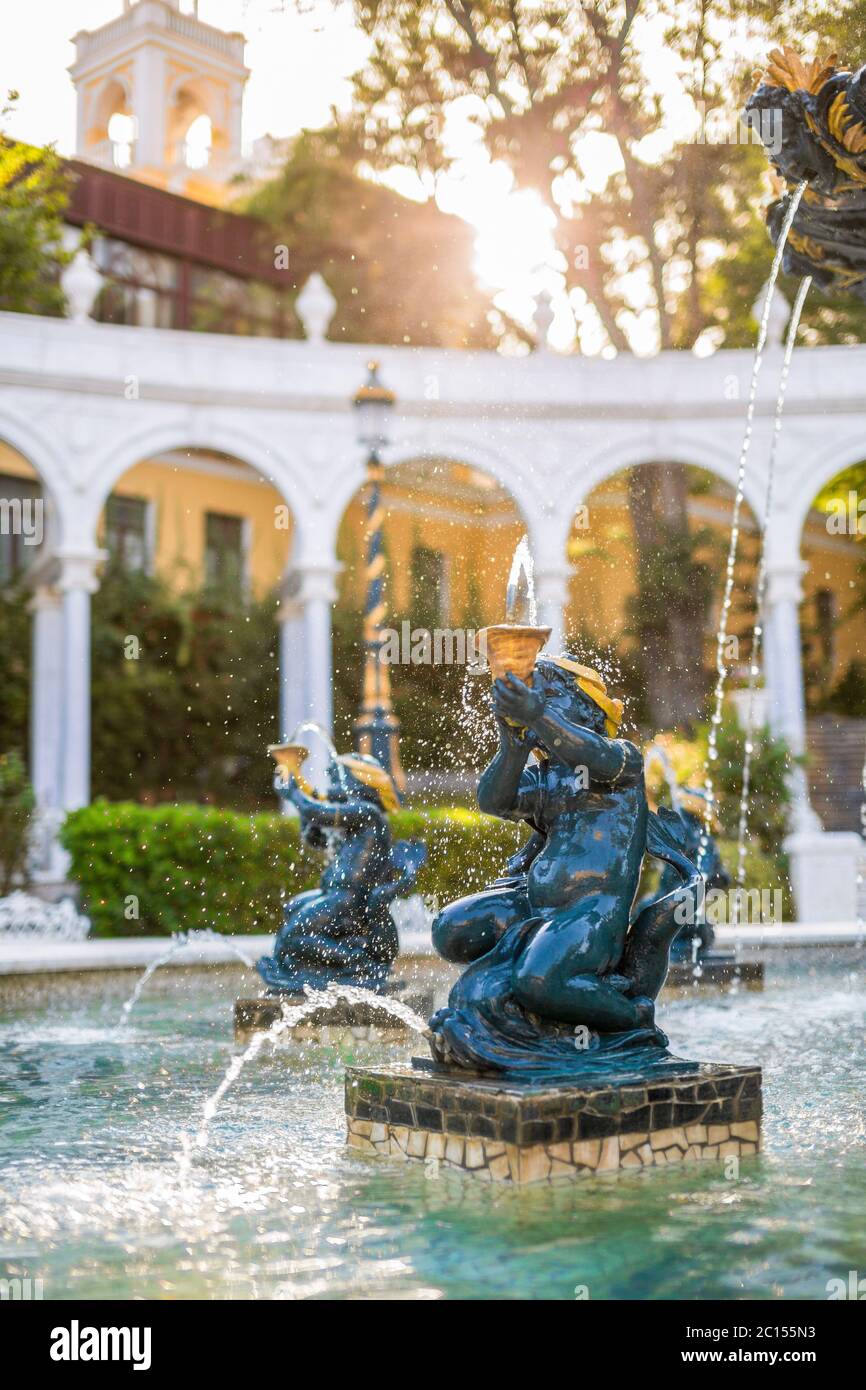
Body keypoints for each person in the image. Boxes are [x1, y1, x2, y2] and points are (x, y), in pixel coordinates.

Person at [429, 657, 701, 1074]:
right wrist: (512, 747)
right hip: (532, 907)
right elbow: (494, 800)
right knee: (450, 929)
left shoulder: (621, 762)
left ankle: (631, 1015)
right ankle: (534, 1005)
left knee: (540, 980)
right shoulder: (550, 777)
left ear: (589, 710)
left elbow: (586, 751)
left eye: (550, 696)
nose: (540, 703)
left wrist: (536, 714)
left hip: (589, 914)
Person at [256, 753, 425, 993]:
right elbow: (318, 839)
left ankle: (355, 961)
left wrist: (294, 793)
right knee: (291, 909)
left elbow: (319, 813)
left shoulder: (368, 813)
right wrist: (309, 823)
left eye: (337, 778)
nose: (332, 786)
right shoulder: (355, 821)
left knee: (293, 937)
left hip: (348, 901)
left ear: (359, 781)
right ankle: (309, 968)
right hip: (333, 895)